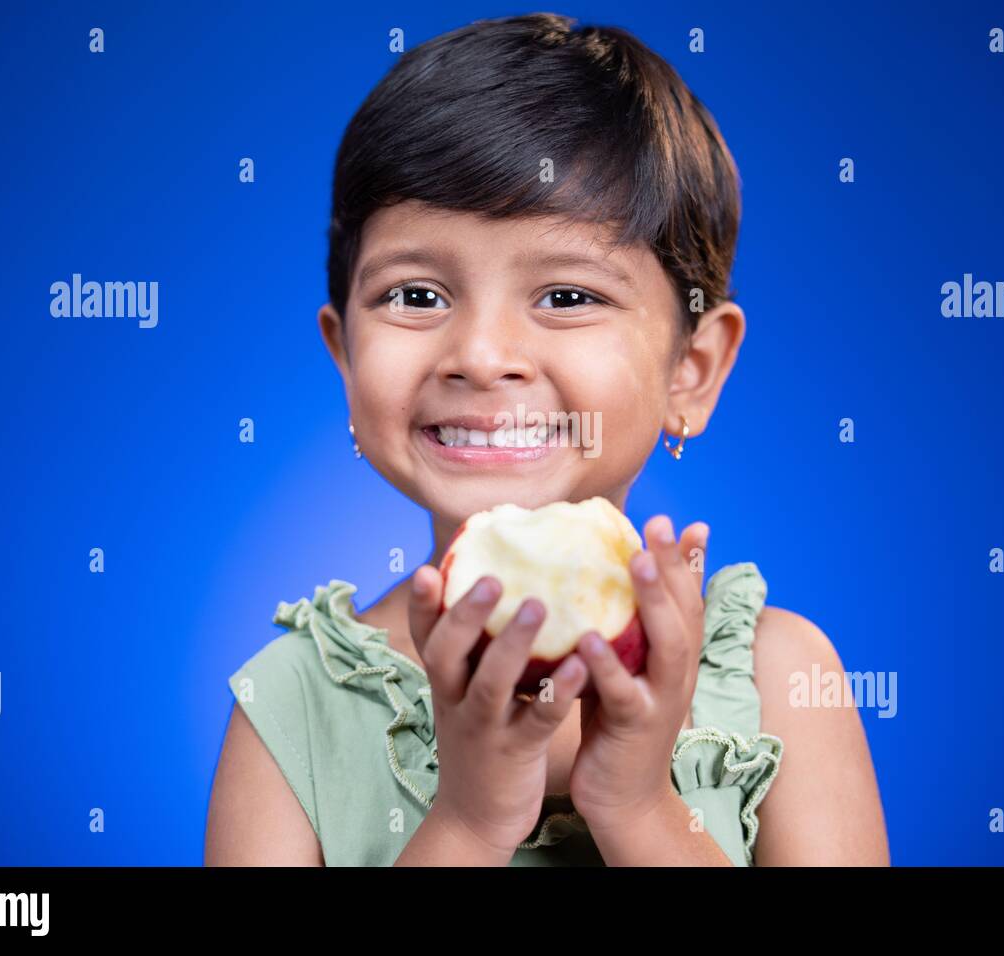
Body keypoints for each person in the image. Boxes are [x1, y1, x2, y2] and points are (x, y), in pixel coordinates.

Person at [205, 12, 888, 866]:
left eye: (567, 297)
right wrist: (467, 823)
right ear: (344, 355)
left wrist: (638, 808)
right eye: (416, 296)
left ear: (693, 371)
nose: (482, 357)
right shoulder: (295, 706)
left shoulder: (781, 679)